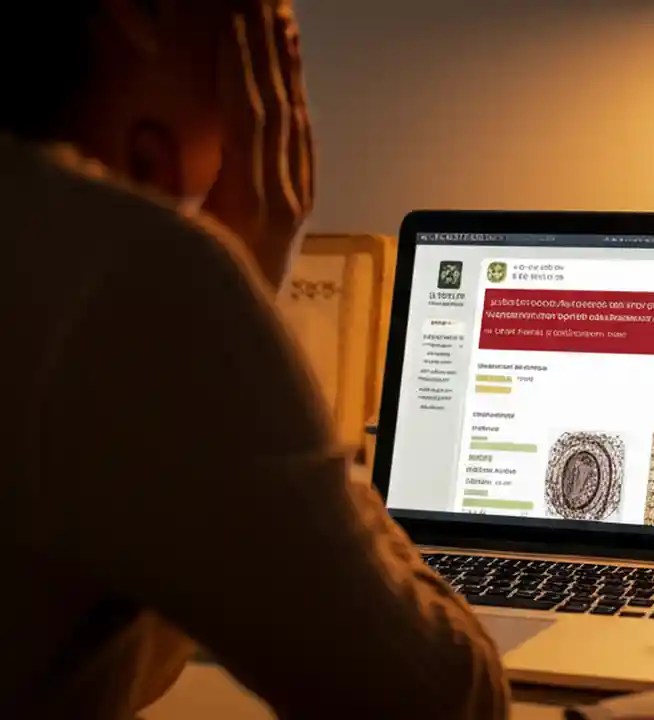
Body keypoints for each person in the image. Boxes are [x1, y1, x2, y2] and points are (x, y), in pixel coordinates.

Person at [0, 1, 508, 717]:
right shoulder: (130, 273)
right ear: (131, 19)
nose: (286, 41)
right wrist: (241, 282)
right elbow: (449, 699)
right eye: (265, 16)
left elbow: (64, 665)